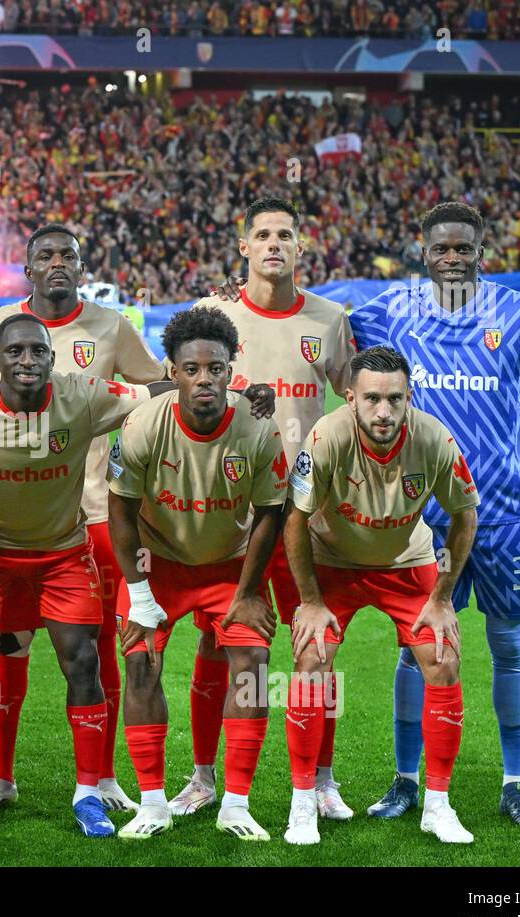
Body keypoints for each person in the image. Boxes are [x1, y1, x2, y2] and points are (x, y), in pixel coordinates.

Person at [0, 224, 276, 814]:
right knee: (13, 642)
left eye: (69, 255)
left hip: (98, 510)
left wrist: (238, 390)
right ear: (27, 266)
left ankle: (104, 775)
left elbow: (163, 384)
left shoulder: (112, 326)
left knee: (108, 641)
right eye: (46, 256)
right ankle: (1, 775)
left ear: (82, 266)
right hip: (13, 517)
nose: (58, 264)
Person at [350, 202, 520, 826]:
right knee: (418, 648)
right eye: (442, 248)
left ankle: (516, 783)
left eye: (464, 247)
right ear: (423, 250)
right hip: (424, 516)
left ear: (482, 249)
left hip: (508, 511)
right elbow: (327, 333)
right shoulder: (392, 312)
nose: (453, 258)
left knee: (511, 643)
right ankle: (407, 780)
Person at [0, 314, 175, 838]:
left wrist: (240, 393)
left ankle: (88, 793)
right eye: (15, 352)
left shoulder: (83, 394)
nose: (27, 361)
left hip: (62, 553)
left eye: (38, 352)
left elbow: (157, 391)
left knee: (83, 664)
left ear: (53, 360)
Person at [192, 195, 357, 821]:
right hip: (232, 514)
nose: (274, 244)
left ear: (301, 246)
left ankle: (320, 779)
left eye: (285, 234)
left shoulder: (330, 318)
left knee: (316, 645)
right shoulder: (214, 313)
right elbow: (180, 391)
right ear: (244, 247)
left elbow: (352, 399)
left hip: (310, 515)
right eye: (262, 234)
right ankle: (205, 777)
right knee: (222, 646)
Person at [282, 345, 480, 845]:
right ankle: (306, 798)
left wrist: (441, 597)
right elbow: (295, 519)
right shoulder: (326, 436)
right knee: (311, 658)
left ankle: (437, 804)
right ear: (350, 398)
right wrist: (309, 600)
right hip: (333, 561)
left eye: (395, 399)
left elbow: (465, 515)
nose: (384, 411)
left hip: (406, 561)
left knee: (443, 658)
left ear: (409, 396)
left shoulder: (434, 438)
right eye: (372, 399)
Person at [109, 307, 287, 840]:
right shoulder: (143, 423)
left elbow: (272, 513)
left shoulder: (257, 426)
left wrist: (251, 590)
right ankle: (153, 803)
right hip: (157, 564)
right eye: (191, 369)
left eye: (215, 369)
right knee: (140, 666)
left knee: (253, 662)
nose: (204, 379)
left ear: (233, 370)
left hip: (229, 564)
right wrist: (139, 593)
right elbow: (120, 511)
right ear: (173, 369)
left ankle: (235, 801)